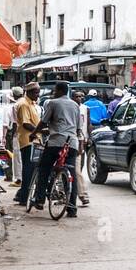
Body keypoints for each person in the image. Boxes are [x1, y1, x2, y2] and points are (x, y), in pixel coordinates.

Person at [31, 81, 81, 217]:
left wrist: (34, 133)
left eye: (55, 91)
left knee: (44, 168)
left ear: (59, 90)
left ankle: (40, 200)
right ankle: (72, 208)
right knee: (72, 174)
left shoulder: (53, 103)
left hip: (56, 143)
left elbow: (43, 121)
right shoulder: (75, 105)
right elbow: (78, 128)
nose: (54, 93)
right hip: (72, 143)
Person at [12, 83, 41, 205]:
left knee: (33, 169)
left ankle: (25, 194)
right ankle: (24, 197)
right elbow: (25, 123)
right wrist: (40, 130)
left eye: (38, 92)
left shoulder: (33, 104)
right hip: (28, 141)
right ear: (28, 92)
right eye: (35, 92)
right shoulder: (23, 104)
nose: (38, 95)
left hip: (35, 140)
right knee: (28, 169)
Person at [71, 90, 91, 207]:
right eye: (77, 96)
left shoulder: (85, 108)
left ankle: (81, 194)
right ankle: (80, 194)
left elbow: (87, 124)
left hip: (80, 141)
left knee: (78, 169)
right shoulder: (70, 108)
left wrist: (89, 137)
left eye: (81, 96)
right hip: (70, 141)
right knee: (73, 170)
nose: (79, 98)